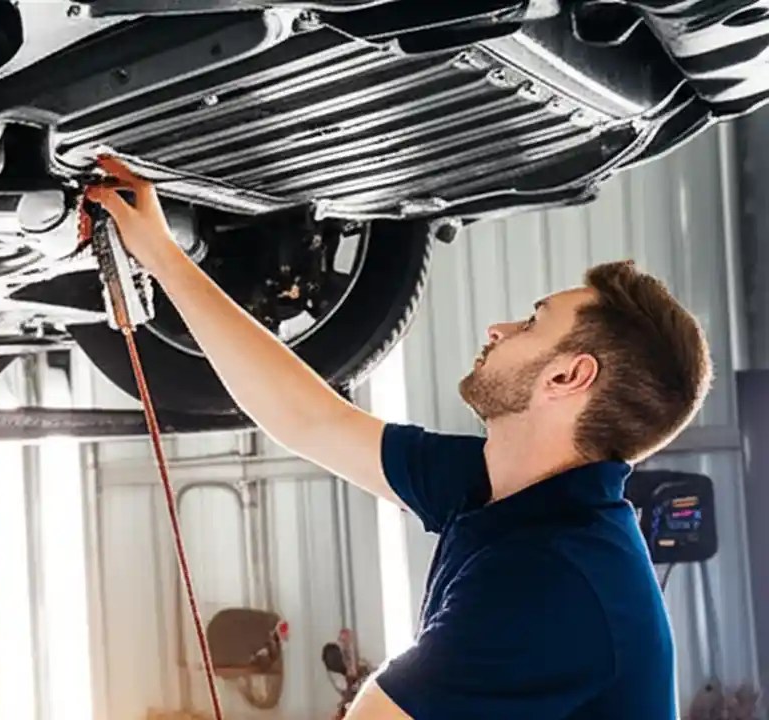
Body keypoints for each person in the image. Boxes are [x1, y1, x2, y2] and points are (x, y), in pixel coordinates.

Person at [86, 156, 713, 719]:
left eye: (531, 322)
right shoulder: (504, 486)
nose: (499, 327)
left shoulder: (556, 581)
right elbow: (311, 420)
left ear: (568, 376)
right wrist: (163, 256)